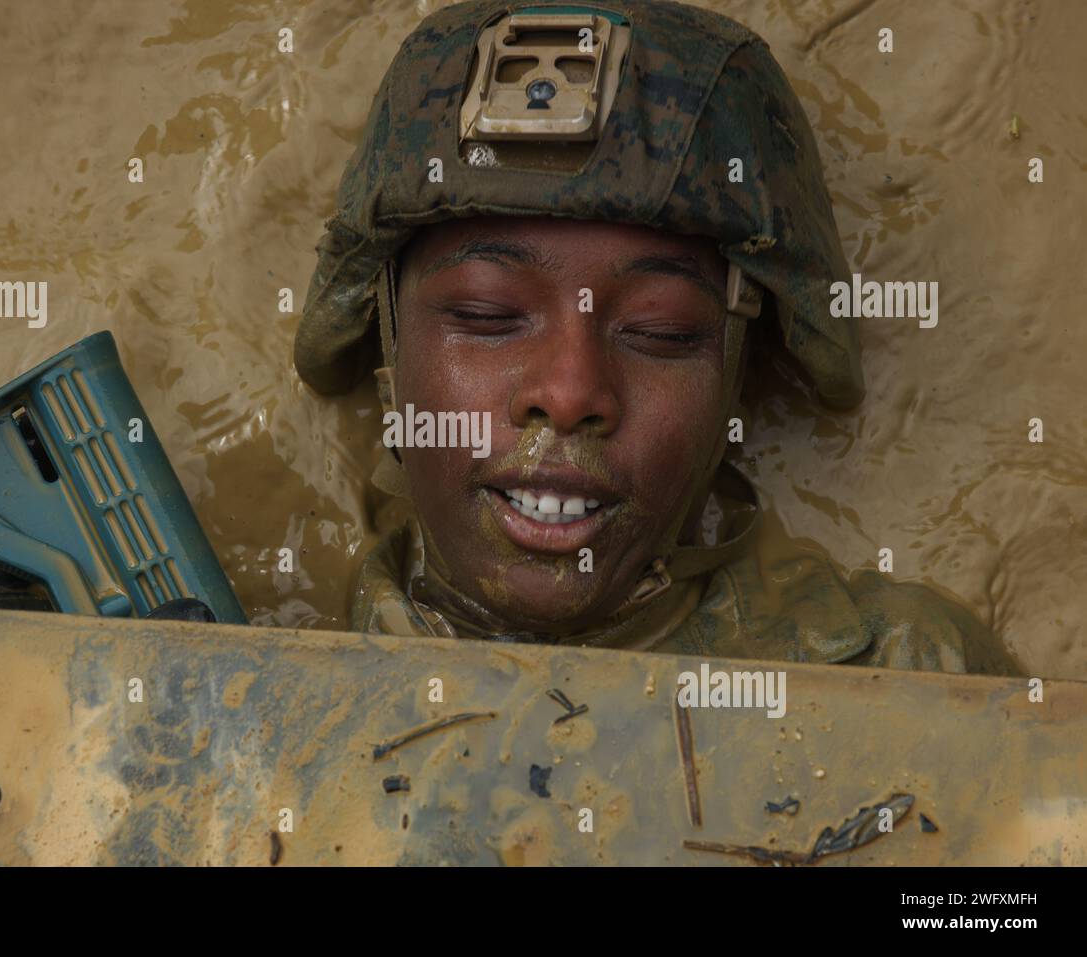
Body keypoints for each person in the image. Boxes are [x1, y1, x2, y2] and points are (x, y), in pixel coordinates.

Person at [293, 0, 1019, 674]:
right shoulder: (241, 675)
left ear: (738, 374)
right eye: (487, 316)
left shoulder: (913, 673)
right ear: (390, 344)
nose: (572, 391)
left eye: (658, 331)